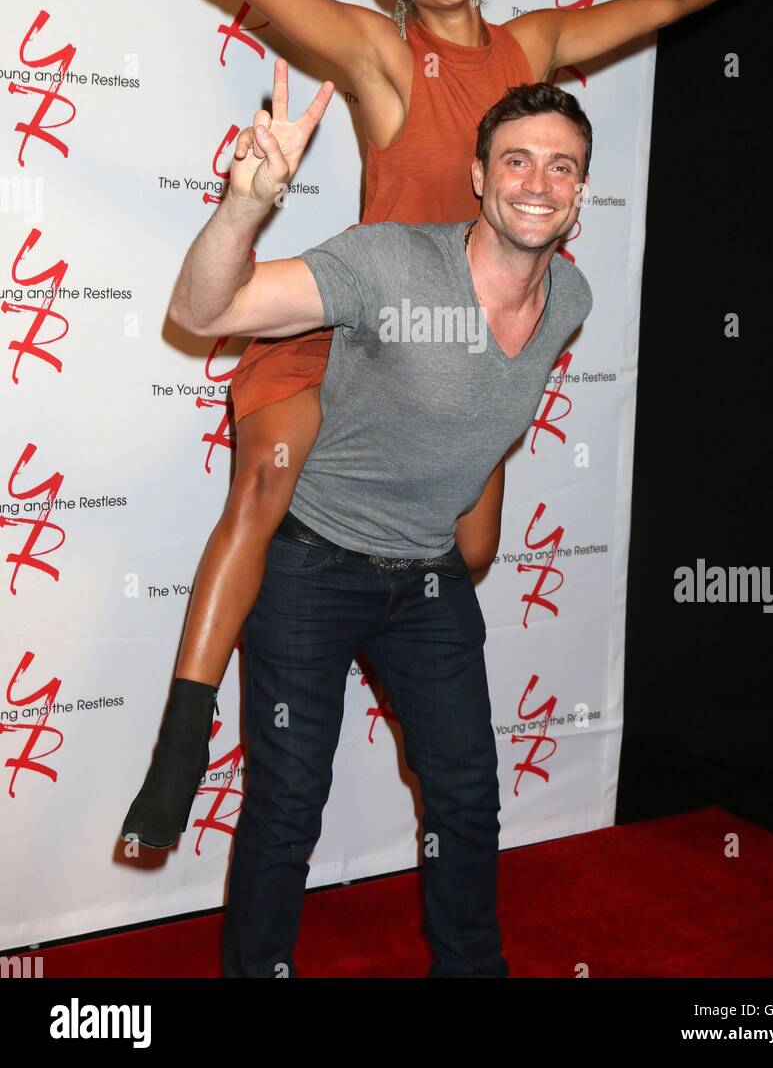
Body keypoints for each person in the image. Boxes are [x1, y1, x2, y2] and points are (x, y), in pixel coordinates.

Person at [35, 0, 773, 847]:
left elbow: (658, 4)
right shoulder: (380, 56)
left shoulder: (531, 44)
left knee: (470, 550)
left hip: (461, 364)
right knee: (264, 477)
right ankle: (182, 741)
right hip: (356, 326)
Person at [166, 56, 595, 977]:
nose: (537, 182)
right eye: (516, 161)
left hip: (427, 575)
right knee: (288, 806)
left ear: (581, 193)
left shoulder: (573, 301)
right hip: (311, 567)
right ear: (479, 178)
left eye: (560, 166)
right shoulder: (389, 261)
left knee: (468, 797)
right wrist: (246, 204)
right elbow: (206, 308)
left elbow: (483, 414)